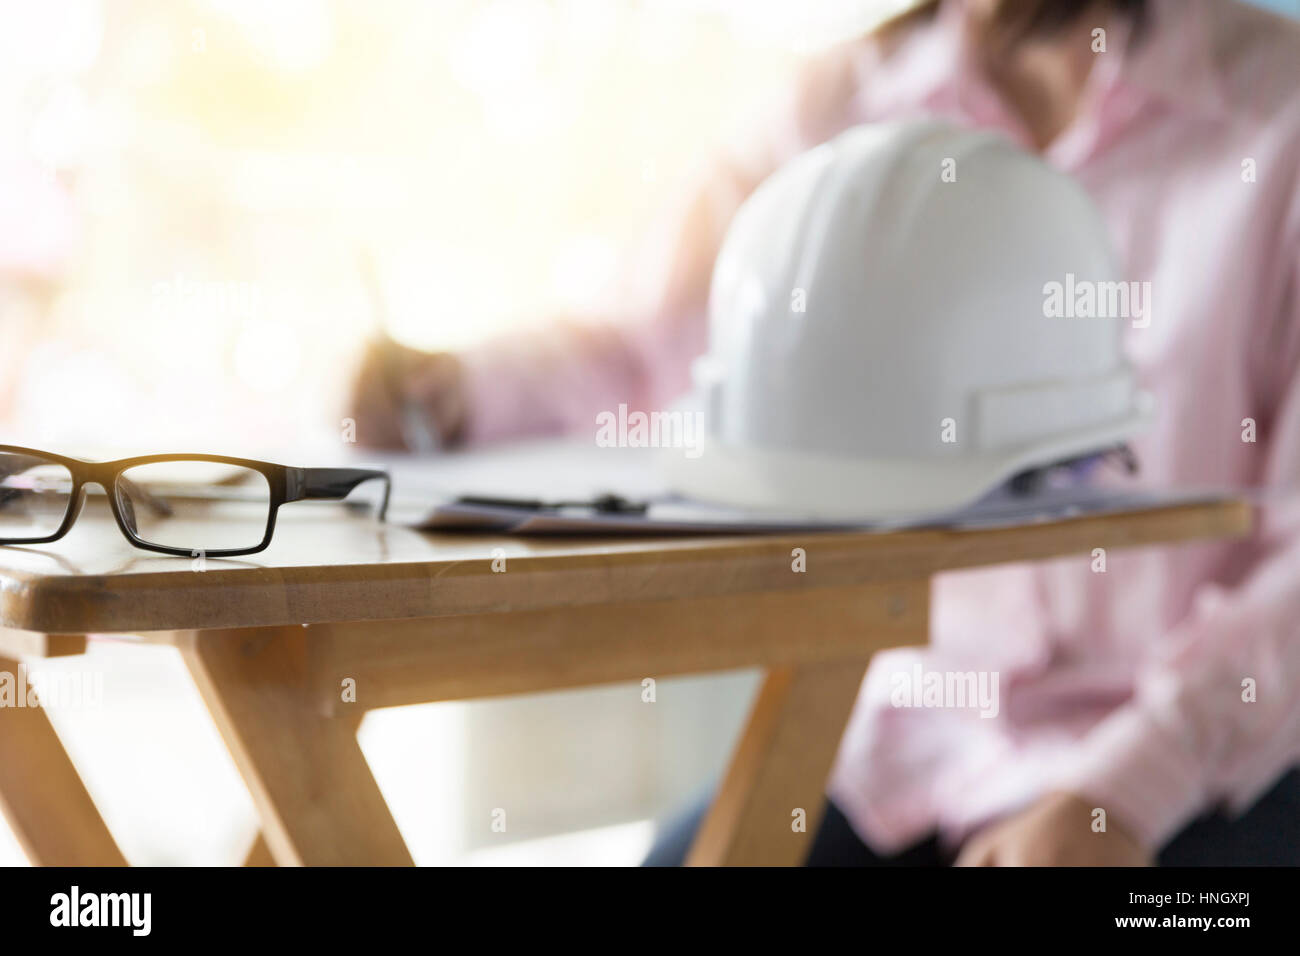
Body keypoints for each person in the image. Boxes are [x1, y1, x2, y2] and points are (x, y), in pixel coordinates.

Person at [350, 0, 1300, 865]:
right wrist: (450, 396)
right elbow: (650, 346)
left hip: (1213, 755)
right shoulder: (835, 109)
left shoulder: (1274, 112)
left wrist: (1125, 792)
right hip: (917, 746)